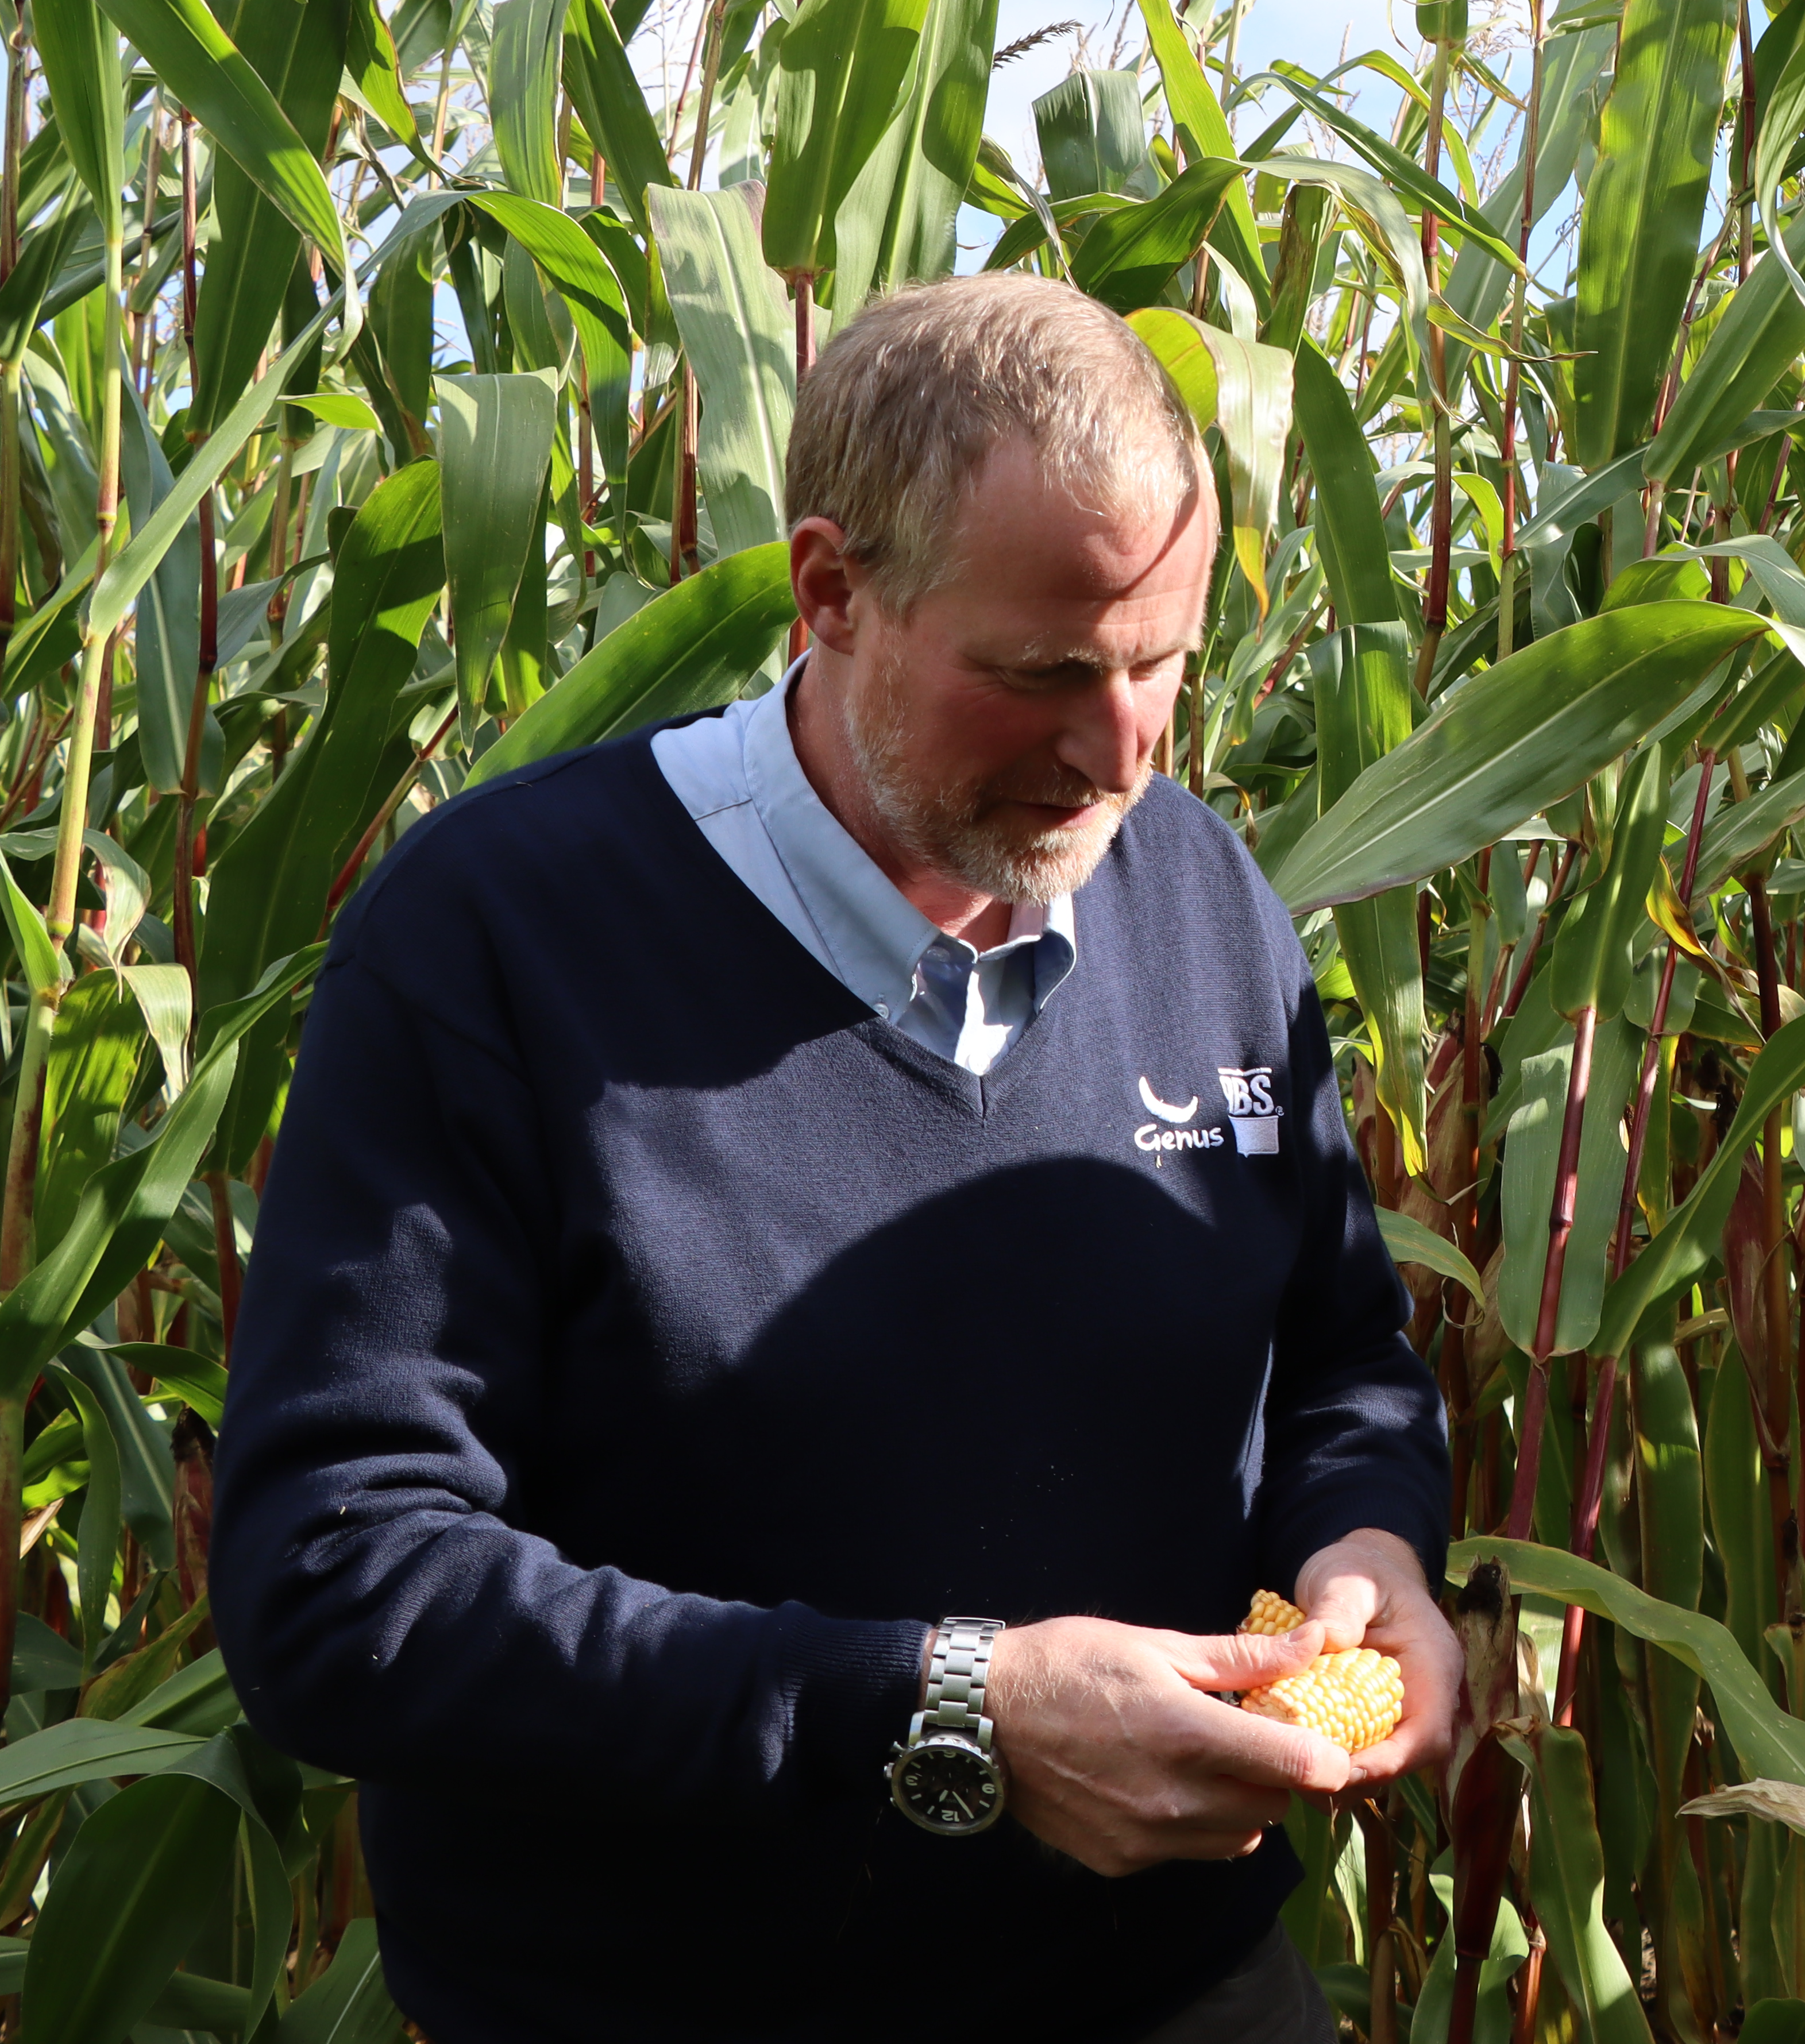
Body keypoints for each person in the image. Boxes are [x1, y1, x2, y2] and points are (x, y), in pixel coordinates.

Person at [217, 277, 1459, 2042]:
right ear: (831, 594)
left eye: (1161, 664)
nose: (1118, 752)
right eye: (1041, 674)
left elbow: (1340, 1361)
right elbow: (337, 1581)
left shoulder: (1202, 900)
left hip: (1186, 1992)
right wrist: (942, 1711)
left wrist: (1371, 1549)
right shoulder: (497, 945)